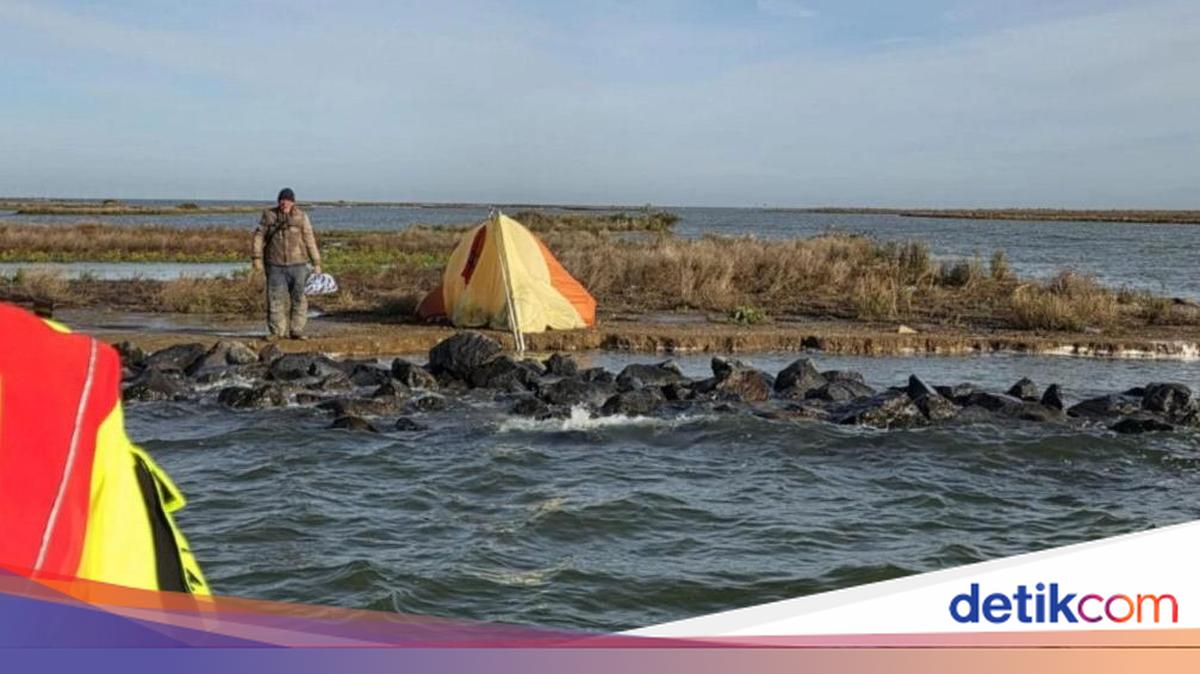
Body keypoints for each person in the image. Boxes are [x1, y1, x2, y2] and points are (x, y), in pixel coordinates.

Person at [252, 188, 322, 340]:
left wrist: (316, 262)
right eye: (282, 200)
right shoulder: (268, 215)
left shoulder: (301, 216)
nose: (285, 203)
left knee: (299, 298)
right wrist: (256, 258)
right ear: (279, 201)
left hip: (299, 264)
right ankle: (277, 332)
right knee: (275, 299)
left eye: (288, 200)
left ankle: (297, 330)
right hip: (274, 264)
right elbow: (258, 236)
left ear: (293, 202)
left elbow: (309, 239)